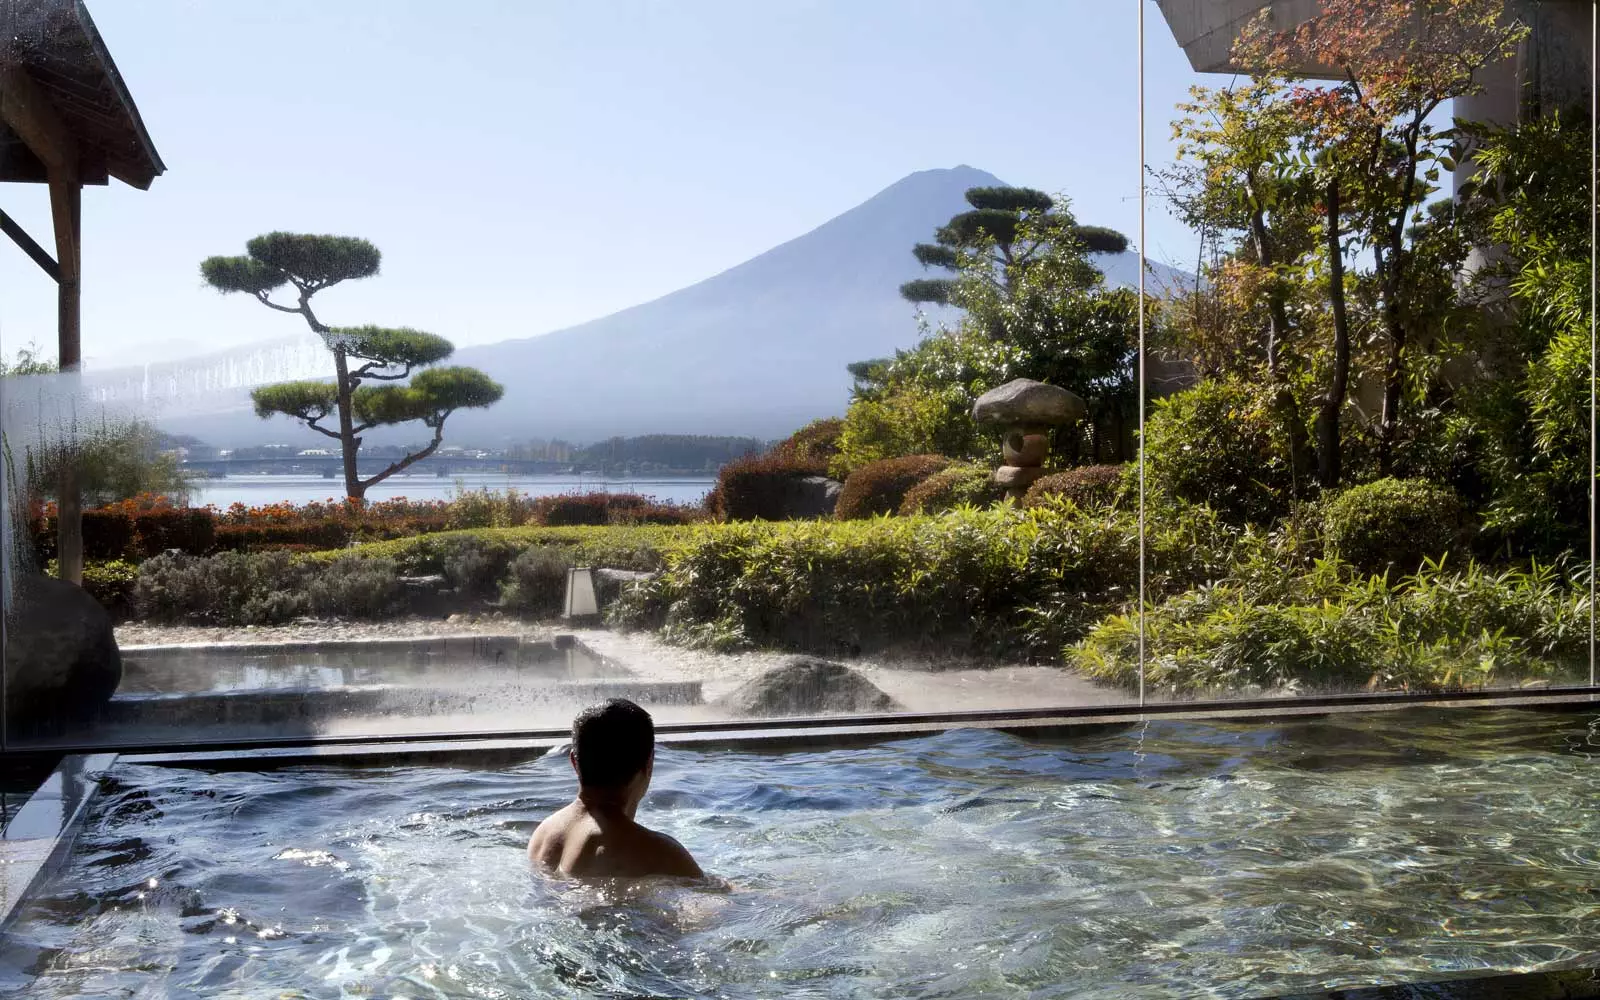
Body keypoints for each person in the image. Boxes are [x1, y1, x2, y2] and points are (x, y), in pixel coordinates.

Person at [528, 698, 704, 879]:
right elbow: (714, 900)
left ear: (574, 762)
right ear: (648, 765)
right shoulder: (657, 853)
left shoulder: (543, 835)